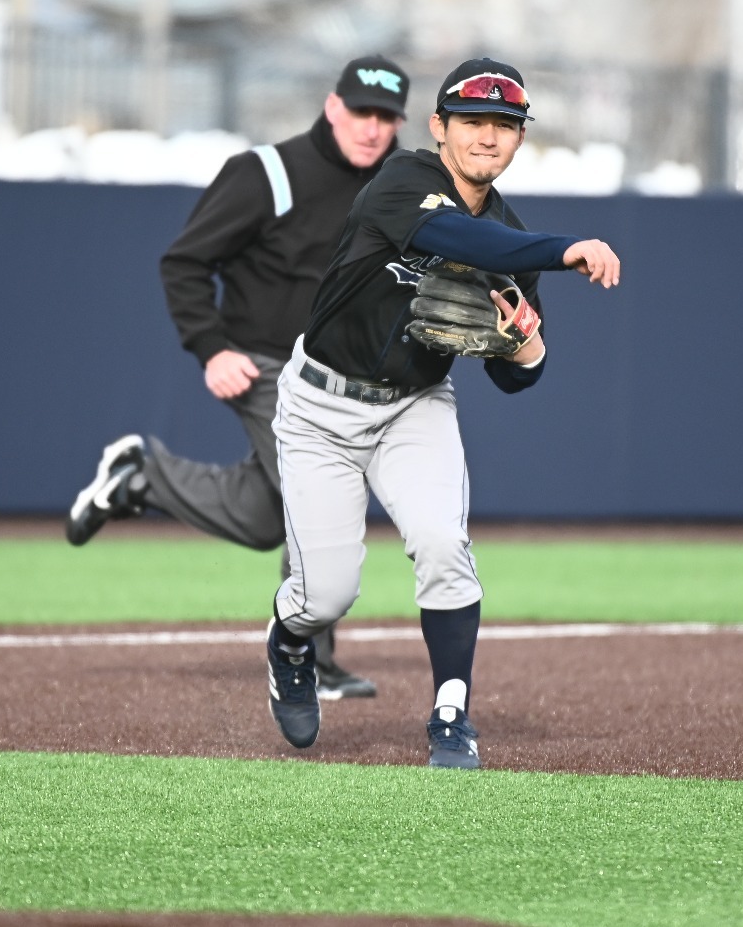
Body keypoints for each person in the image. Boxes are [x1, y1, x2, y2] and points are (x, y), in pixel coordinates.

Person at [260, 57, 622, 769]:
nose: (488, 138)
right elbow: (462, 239)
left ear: (519, 141)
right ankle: (291, 640)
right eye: (473, 122)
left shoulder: (512, 243)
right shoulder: (402, 182)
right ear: (439, 128)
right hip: (320, 407)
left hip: (413, 407)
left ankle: (450, 712)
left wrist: (526, 346)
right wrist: (562, 251)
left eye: (505, 127)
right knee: (326, 593)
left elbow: (518, 374)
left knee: (443, 546)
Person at [65, 55, 415, 700]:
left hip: (339, 374)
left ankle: (146, 476)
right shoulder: (268, 173)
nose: (372, 128)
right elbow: (185, 262)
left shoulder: (394, 182)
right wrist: (212, 348)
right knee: (317, 501)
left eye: (387, 117)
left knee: (264, 518)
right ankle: (311, 660)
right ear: (333, 106)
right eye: (362, 111)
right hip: (267, 366)